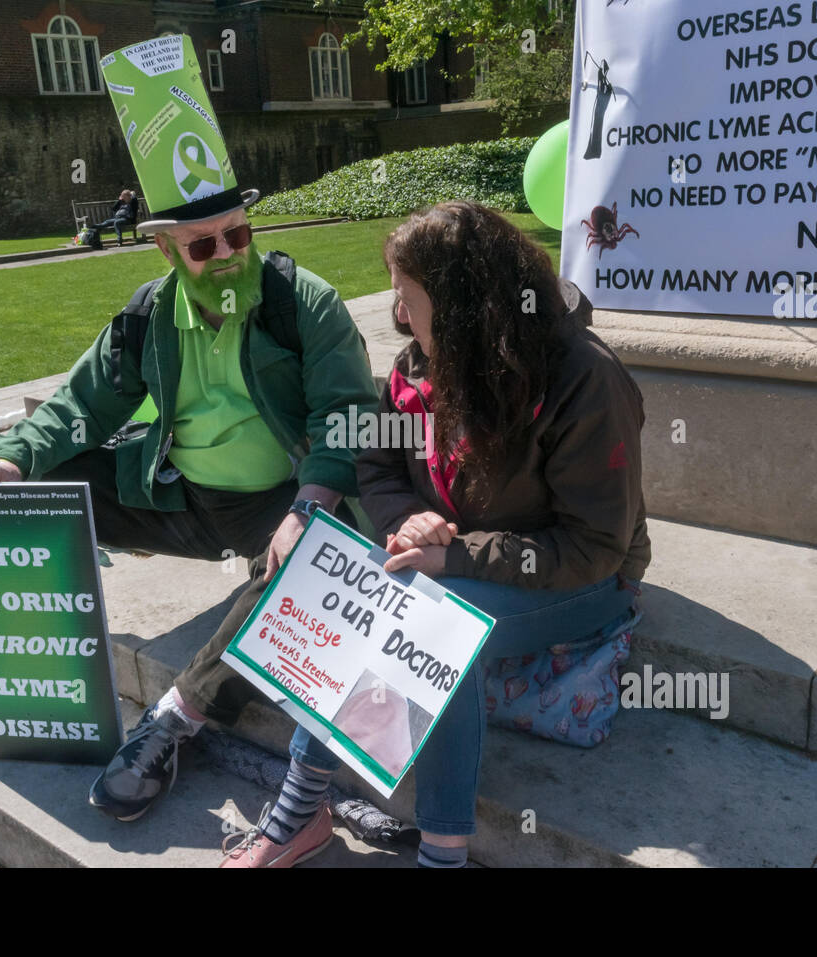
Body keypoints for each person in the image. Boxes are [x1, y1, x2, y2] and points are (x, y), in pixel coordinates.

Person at [0, 37, 379, 824]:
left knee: (318, 559)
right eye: (204, 243)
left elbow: (349, 415)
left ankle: (174, 718)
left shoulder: (302, 298)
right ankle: (9, 667)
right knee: (27, 482)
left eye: (238, 234)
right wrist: (8, 459)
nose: (226, 255)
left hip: (278, 501)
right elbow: (82, 404)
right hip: (179, 496)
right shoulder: (149, 313)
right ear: (164, 248)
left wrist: (309, 500)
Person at [220, 200, 651, 868]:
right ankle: (299, 814)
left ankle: (441, 853)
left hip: (588, 580)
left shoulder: (583, 379)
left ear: (461, 308)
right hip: (463, 560)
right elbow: (377, 463)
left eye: (408, 300)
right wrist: (402, 520)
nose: (398, 317)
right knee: (371, 605)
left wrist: (455, 554)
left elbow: (595, 547)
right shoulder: (420, 366)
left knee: (436, 633)